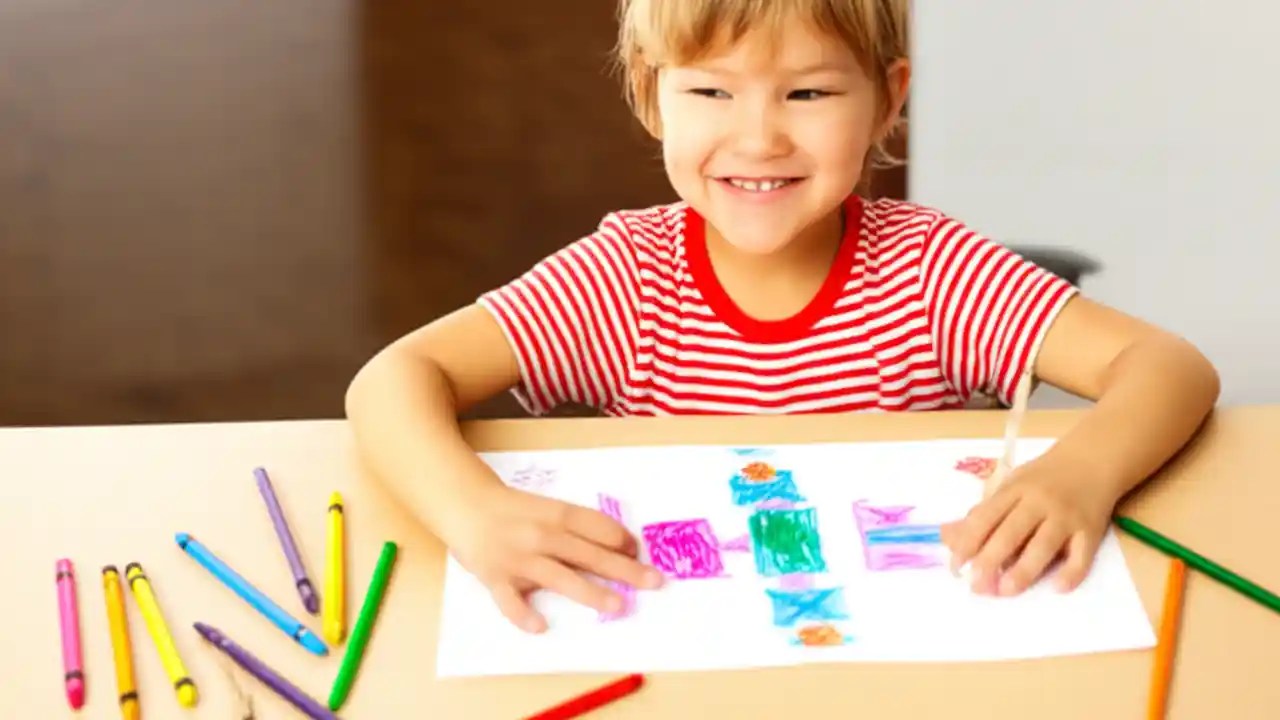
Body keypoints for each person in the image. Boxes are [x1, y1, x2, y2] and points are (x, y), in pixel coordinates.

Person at [344, 0, 1220, 633]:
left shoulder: (931, 270)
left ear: (887, 96)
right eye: (712, 93)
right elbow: (393, 380)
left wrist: (1083, 472)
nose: (759, 138)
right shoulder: (623, 280)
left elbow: (1168, 365)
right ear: (653, 97)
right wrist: (473, 514)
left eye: (807, 95)